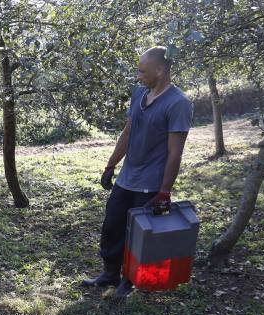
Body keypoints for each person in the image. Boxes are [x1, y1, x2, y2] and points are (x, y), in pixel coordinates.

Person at [83, 46, 194, 297]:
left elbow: (175, 152)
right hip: (127, 178)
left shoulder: (179, 103)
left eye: (142, 71)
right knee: (112, 227)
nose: (138, 75)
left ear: (161, 69)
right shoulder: (139, 94)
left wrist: (165, 192)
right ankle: (109, 273)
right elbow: (128, 131)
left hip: (152, 184)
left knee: (140, 237)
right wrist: (111, 165)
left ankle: (128, 281)